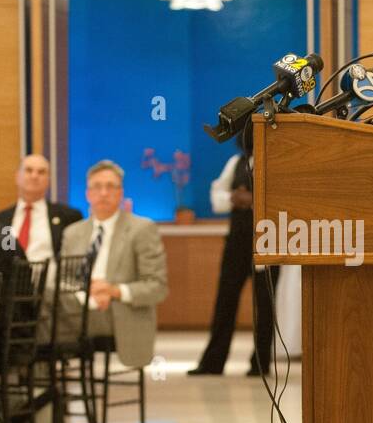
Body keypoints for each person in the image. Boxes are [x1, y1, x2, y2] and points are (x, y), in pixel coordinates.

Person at [58, 161, 168, 371]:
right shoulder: (72, 233)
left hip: (117, 311)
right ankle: (44, 387)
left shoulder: (141, 229)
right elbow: (63, 279)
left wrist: (114, 290)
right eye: (97, 187)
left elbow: (157, 286)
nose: (104, 193)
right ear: (87, 194)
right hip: (77, 307)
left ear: (121, 193)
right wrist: (88, 293)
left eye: (111, 187)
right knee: (44, 295)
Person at [189, 130, 279, 377]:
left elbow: (285, 197)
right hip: (237, 243)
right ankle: (212, 363)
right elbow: (216, 194)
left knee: (265, 306)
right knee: (225, 302)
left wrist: (254, 200)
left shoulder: (277, 160)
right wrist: (233, 197)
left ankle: (260, 364)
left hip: (267, 242)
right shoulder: (236, 163)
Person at [0, 155, 82, 266]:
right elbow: (5, 252)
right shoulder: (2, 220)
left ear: (49, 180)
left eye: (41, 172)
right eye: (29, 170)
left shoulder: (68, 216)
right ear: (17, 177)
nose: (34, 176)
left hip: (50, 282)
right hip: (13, 280)